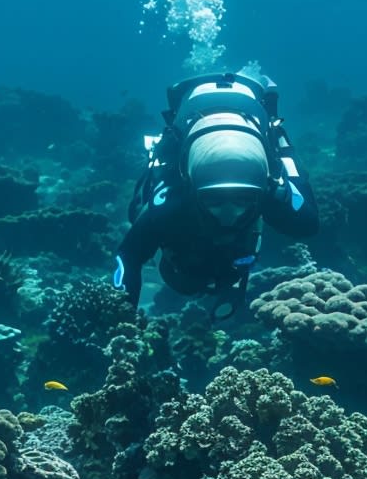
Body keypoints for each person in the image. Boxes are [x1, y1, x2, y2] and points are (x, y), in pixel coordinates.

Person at [114, 70, 318, 308]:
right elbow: (307, 222)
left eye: (241, 200)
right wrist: (284, 155)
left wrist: (120, 314)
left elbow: (129, 255)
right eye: (216, 201)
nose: (229, 213)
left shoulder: (170, 202)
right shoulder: (175, 197)